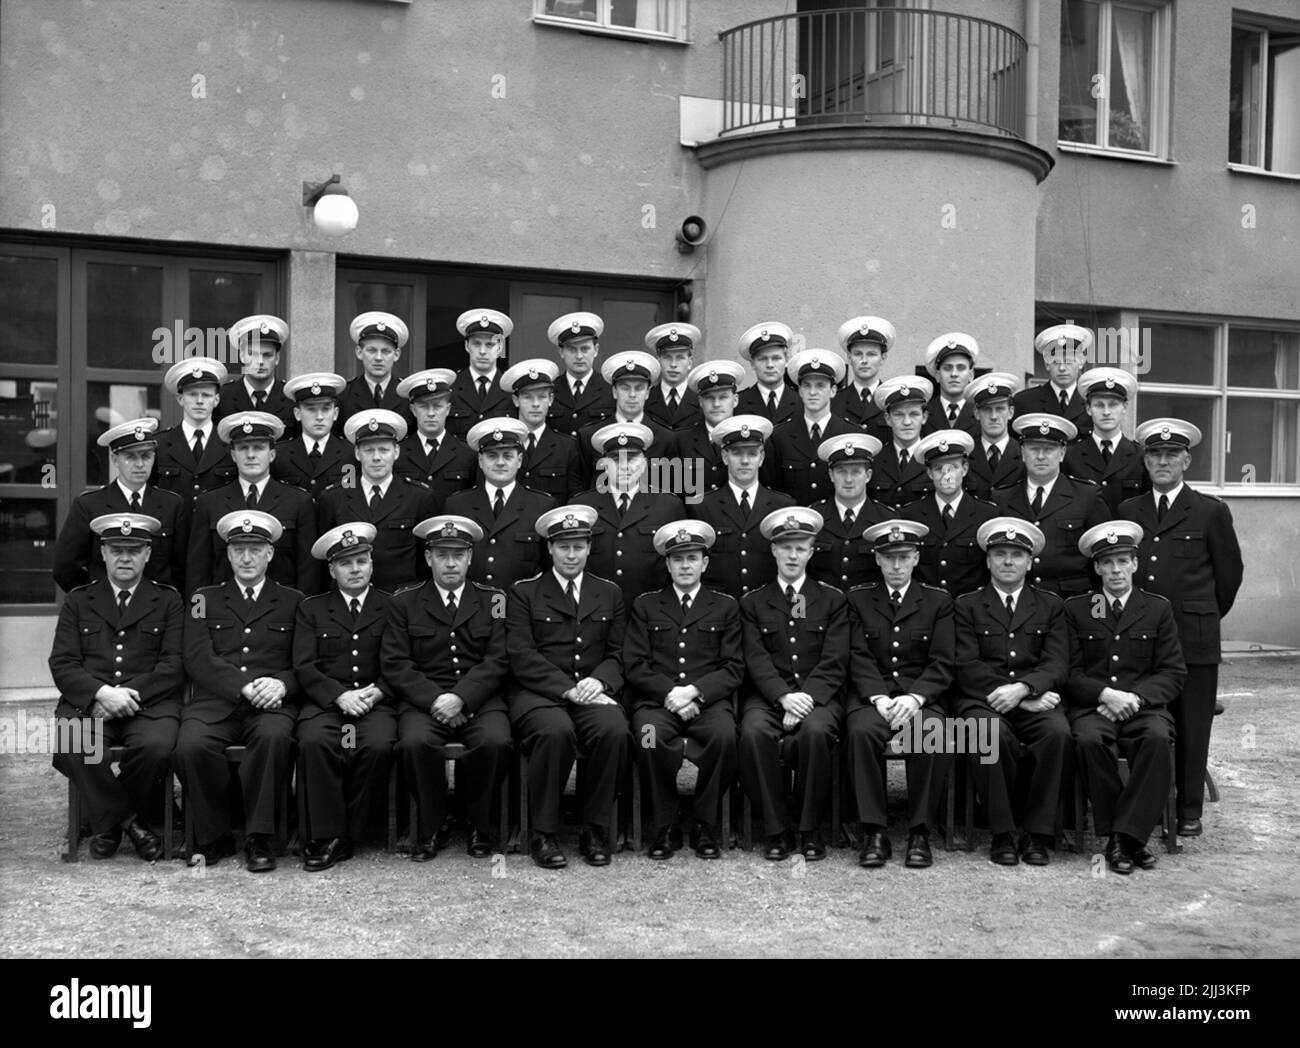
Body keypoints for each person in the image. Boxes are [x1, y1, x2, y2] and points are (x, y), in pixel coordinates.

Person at [1119, 418, 1243, 837]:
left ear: (1186, 459)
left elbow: (1228, 578)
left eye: (1172, 455)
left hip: (1194, 638)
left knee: (1192, 725)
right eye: (1155, 455)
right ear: (1145, 460)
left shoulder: (1210, 511)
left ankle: (1189, 809)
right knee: (1148, 722)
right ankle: (1151, 805)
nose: (1163, 462)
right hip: (1139, 638)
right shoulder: (1129, 513)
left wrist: (1200, 615)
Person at [48, 513, 183, 862]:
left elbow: (173, 664)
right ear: (103, 553)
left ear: (148, 554)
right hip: (90, 703)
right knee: (74, 741)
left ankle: (104, 821)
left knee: (155, 748)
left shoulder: (168, 601)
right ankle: (130, 824)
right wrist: (102, 693)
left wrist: (126, 695)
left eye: (134, 550)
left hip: (150, 704)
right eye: (117, 550)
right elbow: (63, 663)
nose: (125, 558)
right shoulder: (79, 601)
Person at [176, 510, 303, 872]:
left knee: (275, 738)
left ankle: (259, 836)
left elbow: (305, 661)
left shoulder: (294, 601)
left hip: (272, 703)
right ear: (228, 554)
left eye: (255, 549)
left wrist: (282, 683)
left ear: (270, 554)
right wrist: (243, 686)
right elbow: (197, 657)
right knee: (190, 745)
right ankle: (213, 834)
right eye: (239, 550)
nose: (247, 558)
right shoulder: (204, 598)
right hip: (217, 702)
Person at [506, 505, 629, 869]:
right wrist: (567, 688)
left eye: (578, 546)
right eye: (563, 547)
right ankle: (543, 833)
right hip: (538, 693)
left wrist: (599, 681)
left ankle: (594, 828)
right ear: (550, 549)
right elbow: (520, 655)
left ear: (590, 547)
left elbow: (620, 652)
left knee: (615, 730)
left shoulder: (609, 593)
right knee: (555, 732)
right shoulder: (523, 593)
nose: (571, 554)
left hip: (592, 690)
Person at [384, 515, 511, 861]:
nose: (451, 563)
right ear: (428, 558)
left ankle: (477, 823)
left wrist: (463, 698)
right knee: (414, 742)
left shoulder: (494, 599)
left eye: (458, 555)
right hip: (425, 699)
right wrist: (436, 699)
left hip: (478, 698)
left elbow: (498, 659)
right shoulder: (404, 602)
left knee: (495, 741)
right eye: (442, 555)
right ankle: (431, 824)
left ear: (471, 557)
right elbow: (396, 663)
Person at [1064, 520, 1187, 873]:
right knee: (1088, 741)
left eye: (1123, 561)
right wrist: (1105, 694)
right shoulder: (1077, 609)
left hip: (1142, 707)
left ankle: (1123, 838)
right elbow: (1069, 672)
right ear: (1096, 567)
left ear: (1135, 563)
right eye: (1108, 563)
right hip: (1095, 706)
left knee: (1157, 739)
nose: (1116, 570)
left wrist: (1134, 698)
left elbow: (1173, 671)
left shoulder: (1158, 608)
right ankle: (1125, 835)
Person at [952, 518, 1071, 866]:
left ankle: (1037, 833)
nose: (1008, 561)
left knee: (1058, 734)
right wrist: (1008, 693)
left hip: (1033, 697)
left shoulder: (1050, 605)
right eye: (1000, 554)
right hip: (980, 699)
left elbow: (1057, 663)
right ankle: (1001, 832)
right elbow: (964, 664)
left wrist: (1023, 690)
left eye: (1016, 555)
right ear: (987, 560)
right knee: (987, 735)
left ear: (1030, 562)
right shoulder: (966, 605)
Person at [625, 520, 743, 860]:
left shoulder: (725, 606)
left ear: (705, 563)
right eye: (678, 559)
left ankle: (705, 823)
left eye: (692, 557)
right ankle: (666, 824)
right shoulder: (646, 605)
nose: (686, 565)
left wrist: (693, 692)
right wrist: (670, 696)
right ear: (667, 563)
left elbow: (734, 667)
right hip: (657, 704)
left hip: (708, 704)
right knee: (647, 737)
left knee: (725, 737)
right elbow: (635, 664)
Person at [738, 508, 848, 861]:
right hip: (770, 695)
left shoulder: (832, 600)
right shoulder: (753, 602)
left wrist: (806, 699)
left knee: (816, 734)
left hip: (819, 696)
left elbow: (834, 659)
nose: (792, 555)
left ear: (812, 551)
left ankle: (809, 827)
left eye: (800, 548)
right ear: (773, 550)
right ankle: (776, 828)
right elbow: (755, 658)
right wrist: (784, 697)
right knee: (753, 733)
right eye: (785, 547)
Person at [845, 520, 955, 869]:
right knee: (861, 733)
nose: (896, 566)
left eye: (904, 557)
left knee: (931, 733)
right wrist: (878, 697)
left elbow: (943, 660)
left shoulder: (938, 601)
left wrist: (915, 698)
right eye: (889, 558)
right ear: (877, 559)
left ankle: (919, 831)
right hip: (872, 697)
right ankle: (874, 830)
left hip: (919, 697)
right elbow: (856, 655)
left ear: (915, 557)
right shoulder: (858, 599)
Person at [292, 522, 396, 872]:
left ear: (371, 564)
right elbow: (304, 666)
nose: (355, 569)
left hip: (374, 700)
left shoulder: (392, 606)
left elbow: (401, 660)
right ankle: (327, 833)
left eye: (361, 561)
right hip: (328, 703)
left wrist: (379, 691)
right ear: (331, 569)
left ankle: (346, 833)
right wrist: (338, 696)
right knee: (314, 743)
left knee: (379, 744)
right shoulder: (312, 609)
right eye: (346, 563)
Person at [187, 411, 318, 594]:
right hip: (223, 615)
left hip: (282, 615)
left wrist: (304, 617)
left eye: (258, 447)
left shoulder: (298, 502)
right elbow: (197, 573)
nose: (250, 455)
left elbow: (308, 571)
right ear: (233, 455)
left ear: (272, 454)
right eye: (243, 448)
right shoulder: (208, 503)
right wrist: (198, 619)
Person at [53, 418, 186, 593]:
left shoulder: (172, 504)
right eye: (130, 457)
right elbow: (65, 567)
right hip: (105, 612)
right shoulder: (88, 505)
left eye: (146, 456)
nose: (139, 464)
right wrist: (94, 598)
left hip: (157, 612)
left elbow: (181, 566)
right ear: (115, 459)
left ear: (154, 457)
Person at [317, 409, 438, 593]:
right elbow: (325, 561)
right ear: (357, 453)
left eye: (383, 450)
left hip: (400, 599)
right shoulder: (334, 497)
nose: (376, 457)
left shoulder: (419, 497)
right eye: (368, 450)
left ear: (396, 451)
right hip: (350, 600)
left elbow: (426, 561)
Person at [571, 422, 683, 609]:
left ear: (644, 463)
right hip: (596, 610)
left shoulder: (669, 506)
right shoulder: (581, 506)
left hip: (652, 611)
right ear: (604, 465)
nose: (624, 466)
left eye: (631, 458)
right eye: (615, 459)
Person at [994, 413, 1108, 597]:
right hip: (1019, 602)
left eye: (1048, 449)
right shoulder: (1002, 498)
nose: (1040, 456)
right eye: (1033, 448)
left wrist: (1098, 616)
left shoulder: (1087, 496)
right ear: (1022, 453)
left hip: (1071, 603)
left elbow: (1103, 560)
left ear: (1062, 453)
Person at [444, 417, 556, 588]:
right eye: (492, 456)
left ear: (519, 460)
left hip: (522, 606)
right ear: (480, 461)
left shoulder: (542, 506)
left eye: (508, 456)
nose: (500, 462)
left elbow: (550, 568)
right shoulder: (457, 505)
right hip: (473, 605)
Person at [688, 415, 793, 598]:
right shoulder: (702, 507)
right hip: (718, 610)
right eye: (737, 453)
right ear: (725, 457)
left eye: (752, 453)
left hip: (767, 608)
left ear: (761, 458)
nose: (745, 461)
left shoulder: (782, 506)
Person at [901, 429, 998, 598]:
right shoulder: (910, 515)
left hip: (970, 611)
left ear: (965, 469)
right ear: (929, 473)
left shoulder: (987, 515)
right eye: (939, 469)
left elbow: (991, 572)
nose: (947, 476)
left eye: (953, 468)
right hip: (926, 610)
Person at [763, 348, 861, 506]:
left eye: (820, 386)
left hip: (836, 526)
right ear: (800, 391)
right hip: (794, 523)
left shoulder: (851, 434)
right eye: (807, 386)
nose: (813, 392)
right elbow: (772, 489)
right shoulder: (780, 436)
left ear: (833, 391)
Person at [577, 351, 677, 487]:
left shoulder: (666, 438)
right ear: (614, 391)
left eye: (639, 388)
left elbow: (670, 491)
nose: (632, 395)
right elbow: (583, 488)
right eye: (625, 388)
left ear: (647, 393)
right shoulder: (590, 435)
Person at [808, 433, 890, 592]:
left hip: (868, 613)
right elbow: (799, 580)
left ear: (868, 475)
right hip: (822, 613)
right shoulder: (813, 518)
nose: (848, 479)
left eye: (856, 472)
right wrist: (799, 615)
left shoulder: (886, 519)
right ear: (831, 475)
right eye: (841, 471)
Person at [151, 357, 237, 508]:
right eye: (192, 394)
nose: (199, 401)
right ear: (180, 399)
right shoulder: (160, 444)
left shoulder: (231, 443)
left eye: (206, 395)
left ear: (216, 400)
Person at [1064, 368, 1149, 515]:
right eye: (1099, 405)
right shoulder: (1071, 456)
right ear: (1088, 409)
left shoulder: (1140, 456)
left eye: (1113, 404)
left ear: (1125, 407)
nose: (1106, 412)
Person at [502, 358, 583, 504]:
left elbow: (574, 498)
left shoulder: (567, 448)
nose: (535, 404)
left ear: (551, 399)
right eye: (528, 397)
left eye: (542, 397)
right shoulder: (502, 445)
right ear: (516, 400)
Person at [394, 368, 478, 507]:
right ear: (413, 410)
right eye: (424, 406)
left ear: (448, 409)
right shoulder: (397, 454)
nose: (431, 413)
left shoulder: (468, 454)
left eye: (437, 406)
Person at [213, 314, 297, 436]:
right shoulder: (222, 398)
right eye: (252, 354)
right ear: (242, 356)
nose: (260, 361)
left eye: (267, 355)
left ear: (277, 358)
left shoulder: (291, 399)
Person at [272, 373, 350, 500]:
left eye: (325, 409)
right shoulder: (279, 455)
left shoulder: (350, 454)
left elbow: (350, 496)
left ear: (335, 413)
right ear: (297, 413)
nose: (319, 417)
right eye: (311, 409)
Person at [673, 360, 746, 495]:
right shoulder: (679, 441)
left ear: (735, 400)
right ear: (700, 402)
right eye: (709, 398)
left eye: (723, 397)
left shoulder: (749, 440)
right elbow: (669, 496)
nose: (716, 404)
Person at [337, 311, 413, 435]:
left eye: (386, 351)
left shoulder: (408, 396)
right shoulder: (344, 396)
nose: (378, 357)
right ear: (359, 352)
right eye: (371, 350)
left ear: (397, 354)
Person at [1013, 324, 1093, 439]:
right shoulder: (1025, 402)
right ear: (1047, 364)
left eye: (1068, 361)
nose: (1062, 368)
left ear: (1081, 362)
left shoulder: (1092, 403)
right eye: (1056, 362)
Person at [867, 376, 935, 509]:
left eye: (914, 414)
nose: (907, 422)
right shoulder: (875, 460)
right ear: (888, 419)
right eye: (898, 415)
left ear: (924, 417)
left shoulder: (934, 459)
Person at [547, 311, 615, 442]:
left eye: (585, 349)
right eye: (572, 349)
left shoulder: (610, 390)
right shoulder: (549, 391)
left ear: (596, 350)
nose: (579, 356)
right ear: (561, 352)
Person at [447, 308, 513, 440]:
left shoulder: (511, 388)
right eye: (476, 344)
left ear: (499, 348)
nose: (482, 351)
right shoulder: (450, 387)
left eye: (489, 344)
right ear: (467, 346)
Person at [831, 315, 893, 444]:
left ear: (883, 357)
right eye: (858, 354)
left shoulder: (892, 401)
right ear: (849, 357)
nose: (864, 361)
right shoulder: (834, 402)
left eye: (871, 354)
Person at [963, 372, 1025, 499]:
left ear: (1011, 412)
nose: (994, 416)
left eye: (1000, 409)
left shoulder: (1025, 455)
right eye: (987, 409)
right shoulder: (965, 456)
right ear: (976, 413)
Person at [736, 321, 798, 427]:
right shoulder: (738, 404)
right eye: (762, 359)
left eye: (776, 358)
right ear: (752, 363)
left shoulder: (801, 401)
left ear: (786, 359)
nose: (770, 365)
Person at [643, 322, 701, 434]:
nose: (673, 364)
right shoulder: (645, 400)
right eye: (667, 357)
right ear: (658, 361)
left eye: (680, 357)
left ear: (689, 362)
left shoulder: (701, 401)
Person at [922, 332, 980, 436]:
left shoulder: (981, 413)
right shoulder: (922, 414)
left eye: (961, 368)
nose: (954, 374)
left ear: (971, 375)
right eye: (947, 368)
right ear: (937, 375)